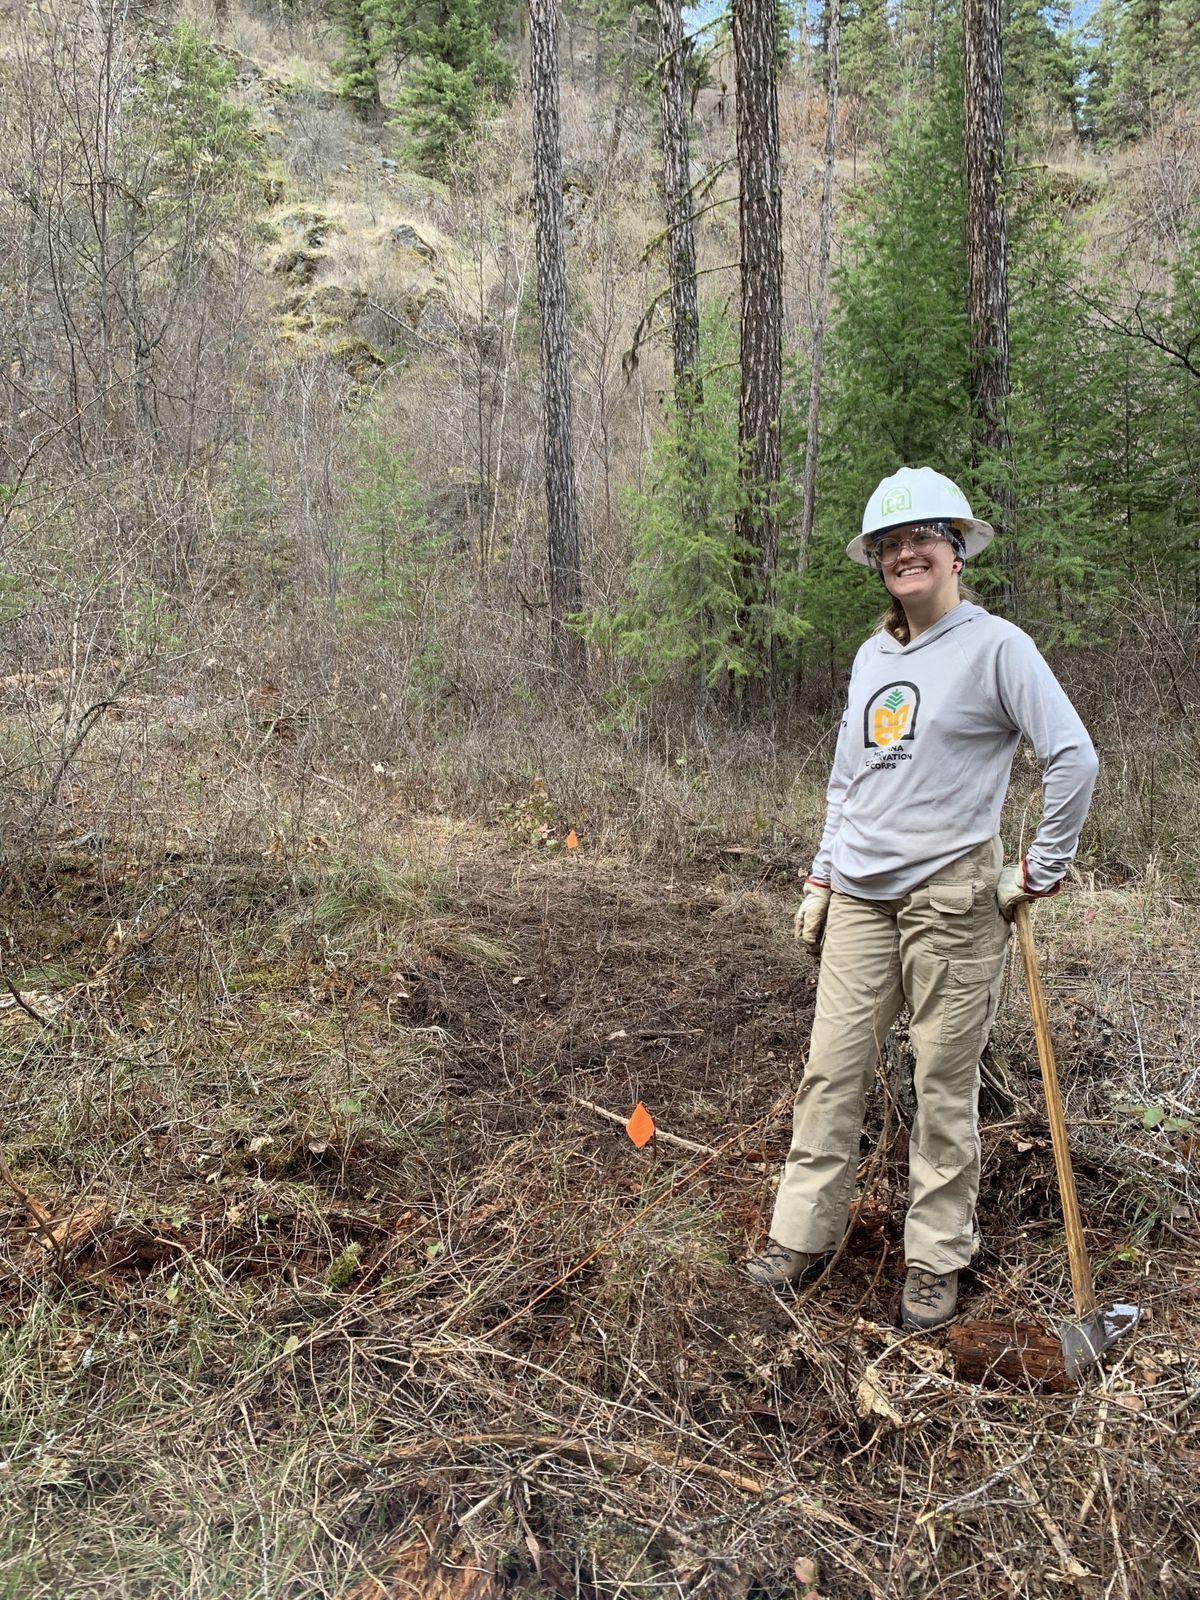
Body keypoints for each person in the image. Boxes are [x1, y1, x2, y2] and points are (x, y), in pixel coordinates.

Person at [746, 466, 1099, 1329]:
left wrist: (1036, 872)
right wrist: (822, 879)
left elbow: (1073, 758)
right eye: (891, 543)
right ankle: (802, 1236)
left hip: (952, 898)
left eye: (924, 537)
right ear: (877, 559)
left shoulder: (997, 647)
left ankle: (935, 1259)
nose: (907, 552)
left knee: (942, 1084)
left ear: (955, 550)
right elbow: (847, 780)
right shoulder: (875, 655)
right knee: (832, 1075)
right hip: (862, 899)